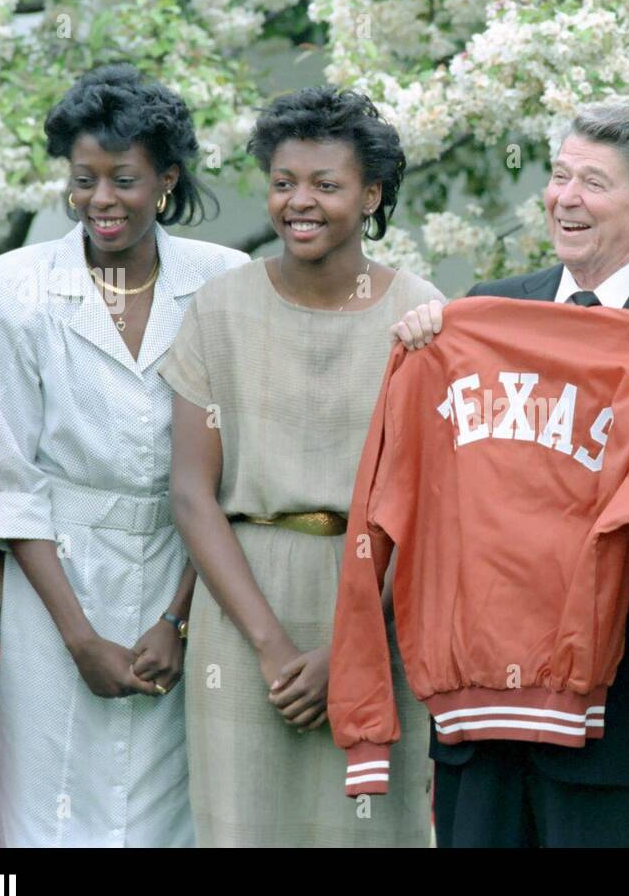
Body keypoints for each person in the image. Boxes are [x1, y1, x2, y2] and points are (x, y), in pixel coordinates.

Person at [393, 103, 629, 847]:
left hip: (618, 722)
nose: (566, 197)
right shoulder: (486, 312)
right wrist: (421, 347)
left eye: (593, 183)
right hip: (484, 709)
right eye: (560, 176)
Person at [0, 64, 249, 847]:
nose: (102, 200)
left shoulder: (223, 281)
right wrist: (80, 637)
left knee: (174, 811)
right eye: (83, 179)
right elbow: (12, 478)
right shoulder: (10, 287)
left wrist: (177, 620)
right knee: (47, 810)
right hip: (54, 578)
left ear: (166, 179)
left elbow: (229, 477)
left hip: (185, 568)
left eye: (125, 179)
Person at [164, 88, 438, 846]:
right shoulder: (219, 309)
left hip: (377, 603)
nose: (300, 202)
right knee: (245, 826)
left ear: (372, 194)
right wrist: (274, 648)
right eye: (284, 182)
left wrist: (352, 650)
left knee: (373, 831)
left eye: (327, 183)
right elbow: (191, 494)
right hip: (245, 609)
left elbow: (429, 511)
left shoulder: (420, 318)